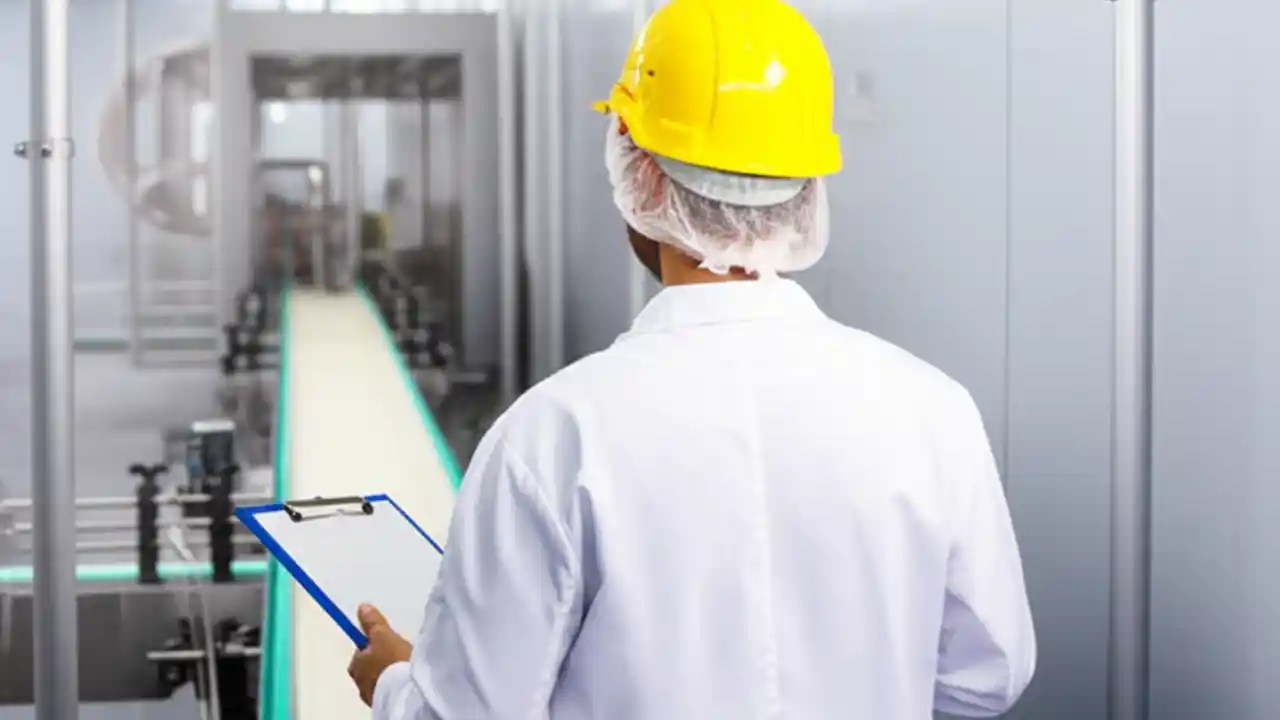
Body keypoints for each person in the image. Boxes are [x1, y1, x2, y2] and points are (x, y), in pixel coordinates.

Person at [347, 0, 1036, 716]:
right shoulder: (931, 412)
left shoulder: (553, 438)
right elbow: (985, 676)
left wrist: (397, 680)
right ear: (807, 186)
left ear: (636, 172)